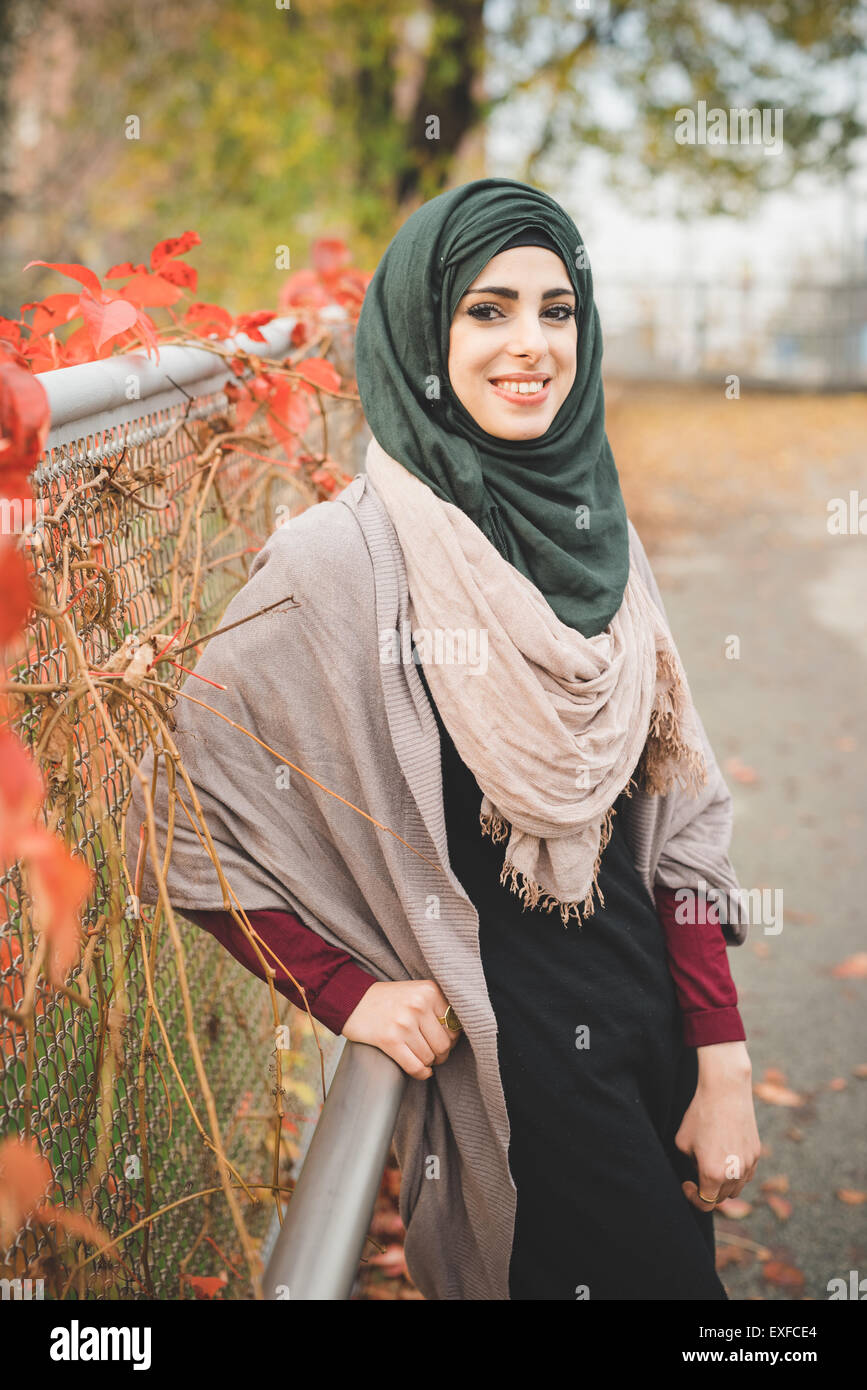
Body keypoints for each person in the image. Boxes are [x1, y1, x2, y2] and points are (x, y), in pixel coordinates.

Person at [124, 177, 760, 1300]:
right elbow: (182, 809)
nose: (531, 345)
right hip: (514, 1090)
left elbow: (679, 821)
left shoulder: (597, 538)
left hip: (650, 1045)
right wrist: (345, 993)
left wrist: (722, 1054)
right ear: (422, 331)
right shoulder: (339, 563)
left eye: (557, 311)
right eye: (486, 310)